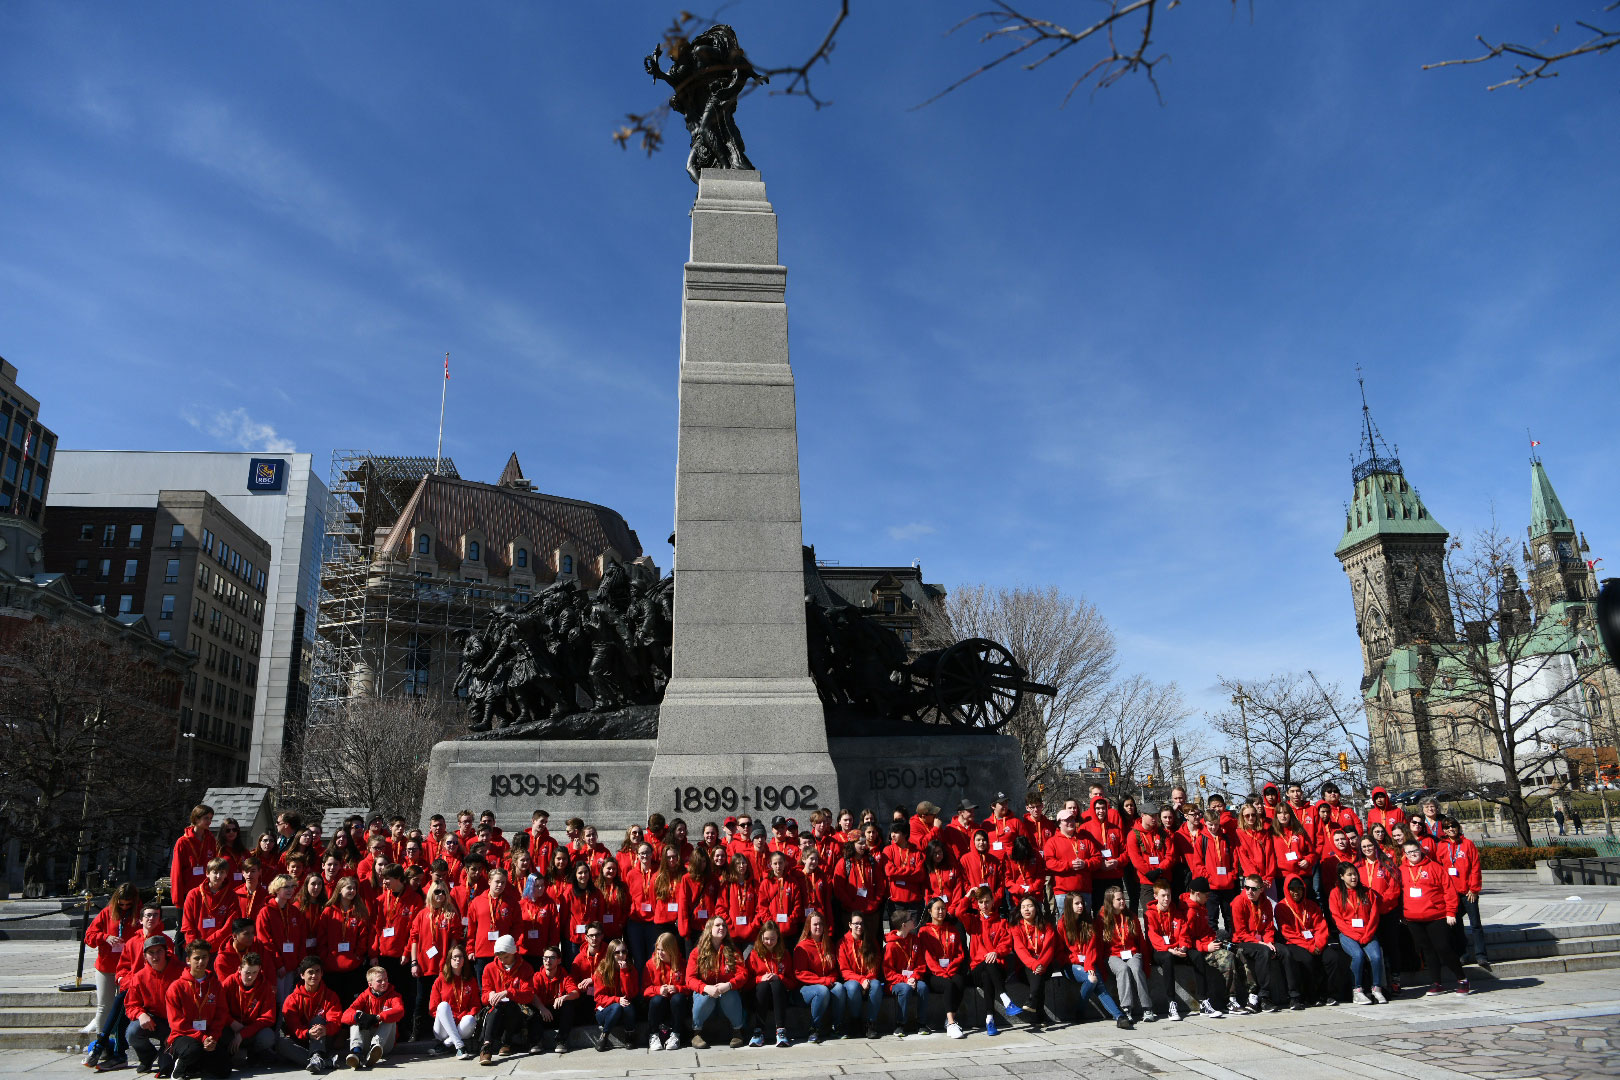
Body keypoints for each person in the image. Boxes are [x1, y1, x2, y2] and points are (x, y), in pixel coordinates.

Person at [1144, 881, 1224, 1020]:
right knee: (1167, 959)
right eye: (1163, 896)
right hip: (1161, 951)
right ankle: (1171, 1004)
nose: (1166, 899)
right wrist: (1170, 950)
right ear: (1156, 896)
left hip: (1178, 948)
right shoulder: (1150, 914)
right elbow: (1154, 938)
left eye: (1168, 895)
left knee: (1197, 955)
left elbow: (1183, 932)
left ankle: (1203, 1001)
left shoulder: (1176, 912)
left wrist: (1184, 946)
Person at [1399, 840, 1468, 995]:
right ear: (1404, 854)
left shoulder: (1435, 867)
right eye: (1409, 852)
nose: (1412, 854)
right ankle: (1436, 982)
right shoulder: (1401, 870)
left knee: (1443, 948)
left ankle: (1462, 979)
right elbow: (1400, 894)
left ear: (1421, 850)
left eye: (1415, 850)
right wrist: (1401, 914)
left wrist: (1451, 912)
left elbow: (1449, 891)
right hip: (1413, 918)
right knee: (1427, 951)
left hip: (1436, 916)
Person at [82, 882, 140, 1063]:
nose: (124, 908)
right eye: (121, 904)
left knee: (124, 1008)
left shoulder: (137, 914)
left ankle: (120, 1045)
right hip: (107, 967)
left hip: (128, 968)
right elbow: (89, 937)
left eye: (127, 905)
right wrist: (105, 937)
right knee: (104, 1006)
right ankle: (103, 1043)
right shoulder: (106, 913)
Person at [1057, 891, 1126, 1028]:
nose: (1080, 906)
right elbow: (1059, 952)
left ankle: (1119, 1016)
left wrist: (1089, 967)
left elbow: (1091, 949)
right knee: (1093, 980)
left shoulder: (1088, 922)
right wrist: (1078, 961)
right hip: (1070, 964)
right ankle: (1116, 1015)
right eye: (1076, 903)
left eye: (1082, 903)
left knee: (1096, 982)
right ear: (1069, 906)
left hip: (1088, 962)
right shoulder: (1062, 924)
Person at [1274, 877, 1343, 1009]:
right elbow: (1288, 933)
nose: (1296, 892)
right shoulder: (1281, 907)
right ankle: (1310, 996)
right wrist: (1310, 947)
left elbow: (1321, 927)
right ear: (1287, 891)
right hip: (1296, 943)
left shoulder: (1312, 905)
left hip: (1315, 942)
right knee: (1306, 959)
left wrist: (1318, 944)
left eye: (1299, 889)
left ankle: (1327, 994)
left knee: (1332, 958)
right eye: (1292, 889)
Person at [685, 916, 749, 1049]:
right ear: (709, 929)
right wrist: (705, 987)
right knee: (704, 996)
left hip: (726, 995)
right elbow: (689, 979)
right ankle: (697, 1032)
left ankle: (737, 1032)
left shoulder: (733, 951)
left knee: (730, 994)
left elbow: (743, 974)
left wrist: (729, 985)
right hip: (707, 995)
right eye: (718, 925)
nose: (722, 928)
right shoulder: (697, 952)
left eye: (724, 926)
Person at [1329, 863, 1387, 1004]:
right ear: (1342, 877)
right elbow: (1338, 919)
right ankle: (1357, 990)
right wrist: (1354, 935)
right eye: (1349, 875)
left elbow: (1374, 916)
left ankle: (1376, 988)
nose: (1353, 877)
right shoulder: (1336, 893)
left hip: (1367, 932)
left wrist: (1367, 934)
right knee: (1358, 955)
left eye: (1355, 874)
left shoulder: (1367, 892)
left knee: (1376, 956)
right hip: (1348, 934)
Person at [124, 933, 181, 1074]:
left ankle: (166, 1053)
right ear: (145, 956)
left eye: (159, 951)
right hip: (154, 1022)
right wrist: (141, 1014)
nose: (155, 957)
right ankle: (147, 1056)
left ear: (166, 952)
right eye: (151, 953)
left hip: (178, 1024)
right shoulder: (139, 977)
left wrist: (177, 1030)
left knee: (166, 1069)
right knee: (132, 1032)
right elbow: (130, 1005)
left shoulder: (182, 971)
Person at [1437, 817, 1489, 969]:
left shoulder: (1467, 844)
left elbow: (1475, 867)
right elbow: (1439, 870)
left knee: (1475, 924)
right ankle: (1463, 953)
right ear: (1444, 830)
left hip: (1468, 892)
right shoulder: (1441, 846)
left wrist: (1474, 888)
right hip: (1451, 893)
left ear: (1458, 827)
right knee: (1456, 925)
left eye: (1453, 826)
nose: (1450, 829)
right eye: (1447, 827)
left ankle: (1481, 955)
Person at [479, 935, 541, 1062]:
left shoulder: (525, 968)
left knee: (511, 1006)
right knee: (495, 1008)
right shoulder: (489, 968)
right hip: (496, 1013)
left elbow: (528, 995)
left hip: (517, 1014)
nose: (502, 961)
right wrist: (489, 995)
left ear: (514, 952)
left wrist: (508, 993)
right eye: (500, 958)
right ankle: (486, 1047)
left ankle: (506, 1043)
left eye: (506, 957)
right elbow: (484, 996)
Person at [1099, 886, 1154, 1025]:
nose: (1123, 901)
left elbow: (1140, 940)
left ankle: (1147, 1007)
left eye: (1123, 898)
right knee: (1123, 969)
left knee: (1135, 968)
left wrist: (1146, 964)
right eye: (1119, 899)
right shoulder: (1102, 919)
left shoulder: (1131, 916)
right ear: (1110, 901)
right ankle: (1126, 1008)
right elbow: (1098, 945)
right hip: (1113, 955)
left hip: (1132, 952)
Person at [1229, 875, 1282, 1012]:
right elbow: (1240, 933)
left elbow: (1269, 927)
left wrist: (1269, 941)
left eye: (1253, 889)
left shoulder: (1267, 903)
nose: (1249, 891)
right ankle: (1262, 996)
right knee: (1264, 952)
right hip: (1243, 941)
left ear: (1261, 890)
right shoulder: (1238, 902)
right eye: (1246, 887)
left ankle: (1295, 996)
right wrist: (1261, 943)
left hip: (1261, 941)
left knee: (1285, 952)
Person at [919, 896, 969, 1039]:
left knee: (959, 981)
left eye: (943, 908)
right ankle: (952, 1023)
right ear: (929, 911)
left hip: (950, 969)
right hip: (933, 973)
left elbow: (960, 953)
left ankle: (949, 1019)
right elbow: (927, 957)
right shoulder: (924, 931)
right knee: (948, 984)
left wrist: (951, 969)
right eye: (937, 909)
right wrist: (941, 972)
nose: (941, 912)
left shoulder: (953, 929)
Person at [793, 911, 846, 1043]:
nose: (818, 927)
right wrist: (823, 981)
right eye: (815, 924)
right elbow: (800, 973)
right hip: (805, 989)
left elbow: (835, 970)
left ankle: (836, 1026)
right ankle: (814, 1028)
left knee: (839, 988)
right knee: (822, 991)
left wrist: (832, 979)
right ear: (808, 927)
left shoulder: (828, 944)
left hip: (826, 983)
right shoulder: (802, 947)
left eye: (821, 924)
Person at [341, 965, 405, 1068]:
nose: (384, 983)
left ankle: (375, 1048)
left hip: (384, 1045)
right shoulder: (364, 996)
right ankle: (356, 1053)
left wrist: (378, 1017)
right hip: (366, 1041)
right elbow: (344, 1016)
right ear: (370, 984)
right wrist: (359, 1017)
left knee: (389, 1013)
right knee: (355, 1015)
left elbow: (400, 1011)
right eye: (379, 981)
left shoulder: (394, 995)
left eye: (385, 979)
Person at [222, 948, 277, 1067]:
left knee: (268, 1036)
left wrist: (243, 1033)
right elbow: (219, 1009)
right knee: (220, 1033)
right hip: (232, 1027)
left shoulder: (265, 986)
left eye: (254, 973)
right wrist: (232, 1023)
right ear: (239, 969)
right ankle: (237, 1053)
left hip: (253, 1028)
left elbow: (268, 1018)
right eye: (247, 972)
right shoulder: (229, 982)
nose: (251, 977)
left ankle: (252, 1052)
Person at [1011, 895, 1058, 1031]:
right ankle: (1038, 1012)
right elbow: (1019, 950)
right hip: (1026, 967)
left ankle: (1033, 1001)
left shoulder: (1047, 926)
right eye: (1023, 907)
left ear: (1036, 908)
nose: (1026, 909)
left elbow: (1049, 949)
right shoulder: (1016, 927)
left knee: (1039, 974)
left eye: (1030, 906)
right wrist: (1034, 964)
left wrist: (1041, 963)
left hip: (1045, 964)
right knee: (1036, 974)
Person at [427, 942, 481, 1060]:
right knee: (443, 1006)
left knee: (470, 1019)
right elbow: (433, 1009)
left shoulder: (470, 980)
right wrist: (451, 1018)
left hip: (462, 1025)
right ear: (449, 960)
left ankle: (446, 1045)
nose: (457, 959)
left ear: (464, 959)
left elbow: (475, 1006)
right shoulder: (440, 980)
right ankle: (460, 1045)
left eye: (460, 956)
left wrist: (461, 1016)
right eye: (454, 957)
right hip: (443, 1028)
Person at [837, 912, 886, 1038]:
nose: (859, 926)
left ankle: (871, 1023)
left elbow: (875, 964)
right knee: (852, 987)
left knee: (876, 985)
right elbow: (844, 970)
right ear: (850, 925)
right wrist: (861, 979)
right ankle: (855, 1021)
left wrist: (867, 979)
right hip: (852, 979)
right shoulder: (842, 943)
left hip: (869, 979)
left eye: (862, 923)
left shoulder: (871, 941)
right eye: (856, 923)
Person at [883, 908, 930, 1037]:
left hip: (912, 979)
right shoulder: (891, 945)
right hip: (896, 982)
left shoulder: (914, 940)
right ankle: (900, 1024)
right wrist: (905, 980)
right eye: (910, 919)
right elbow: (888, 972)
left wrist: (914, 978)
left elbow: (920, 964)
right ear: (903, 924)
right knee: (905, 989)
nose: (913, 920)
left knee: (923, 987)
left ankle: (921, 1023)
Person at [746, 922, 793, 1047]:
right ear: (761, 937)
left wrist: (779, 977)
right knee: (764, 985)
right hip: (760, 997)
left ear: (778, 938)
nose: (769, 942)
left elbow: (793, 982)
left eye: (773, 939)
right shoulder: (754, 954)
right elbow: (746, 984)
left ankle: (781, 1031)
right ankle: (758, 1031)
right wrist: (760, 979)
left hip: (779, 997)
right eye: (766, 939)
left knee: (776, 984)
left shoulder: (784, 954)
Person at [642, 931, 691, 1050]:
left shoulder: (682, 963)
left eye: (663, 950)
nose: (659, 953)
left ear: (671, 949)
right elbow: (645, 991)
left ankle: (676, 1035)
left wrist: (677, 988)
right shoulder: (650, 964)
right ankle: (653, 1035)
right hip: (660, 1006)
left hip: (676, 1006)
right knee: (657, 1000)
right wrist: (658, 990)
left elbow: (689, 987)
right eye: (658, 949)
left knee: (678, 998)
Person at [591, 939, 639, 1052]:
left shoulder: (630, 968)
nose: (621, 955)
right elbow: (598, 998)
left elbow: (631, 994)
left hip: (624, 1007)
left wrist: (624, 972)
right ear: (611, 954)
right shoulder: (602, 970)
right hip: (605, 1010)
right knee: (617, 1006)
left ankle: (629, 1036)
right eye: (617, 952)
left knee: (628, 1006)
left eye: (624, 952)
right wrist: (617, 999)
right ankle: (604, 1035)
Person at [172, 806, 219, 915]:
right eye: (206, 818)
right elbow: (176, 872)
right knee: (185, 929)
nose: (209, 822)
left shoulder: (210, 839)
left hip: (207, 892)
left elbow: (215, 867)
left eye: (211, 818)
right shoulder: (182, 842)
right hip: (188, 893)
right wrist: (178, 899)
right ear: (196, 819)